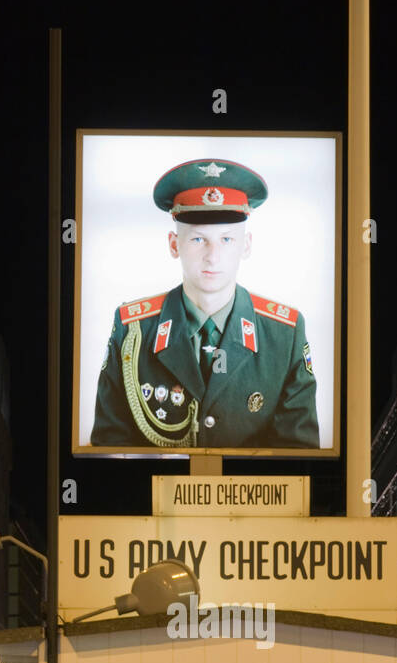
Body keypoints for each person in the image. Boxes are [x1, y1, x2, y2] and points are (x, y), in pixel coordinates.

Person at [90, 158, 320, 450]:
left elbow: (299, 460)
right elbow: (109, 450)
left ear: (246, 245)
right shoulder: (132, 329)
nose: (213, 256)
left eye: (226, 239)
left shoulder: (284, 334)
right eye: (198, 239)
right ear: (174, 244)